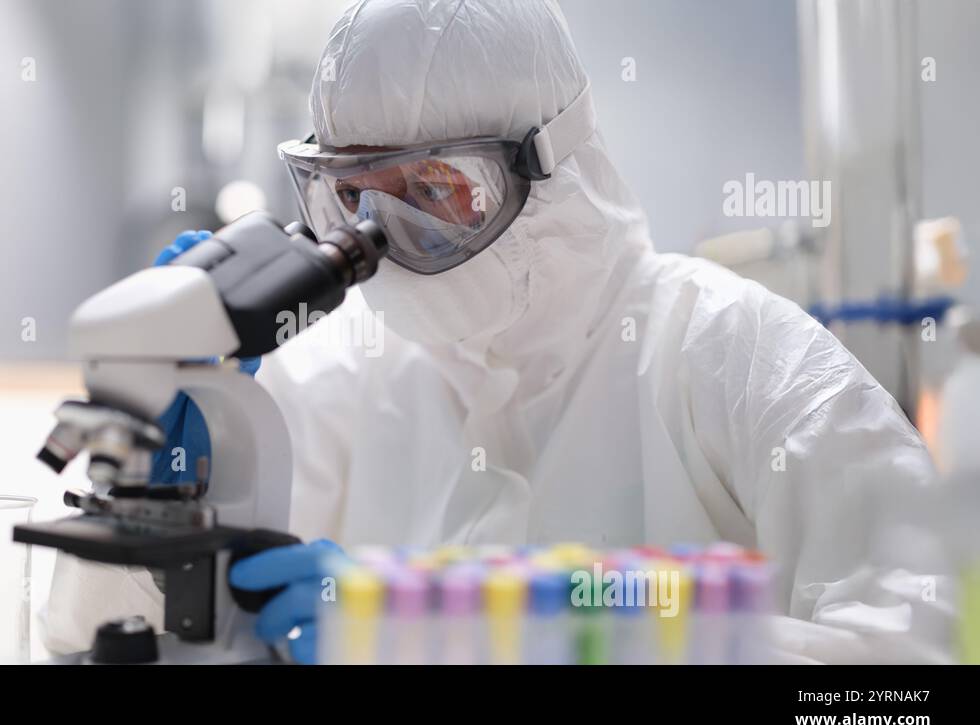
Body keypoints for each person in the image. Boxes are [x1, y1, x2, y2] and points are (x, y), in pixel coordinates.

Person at [46, 0, 942, 664]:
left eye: (438, 192)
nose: (385, 241)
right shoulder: (334, 378)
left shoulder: (737, 355)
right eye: (353, 195)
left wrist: (514, 639)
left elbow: (907, 685)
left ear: (553, 163)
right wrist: (166, 457)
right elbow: (96, 640)